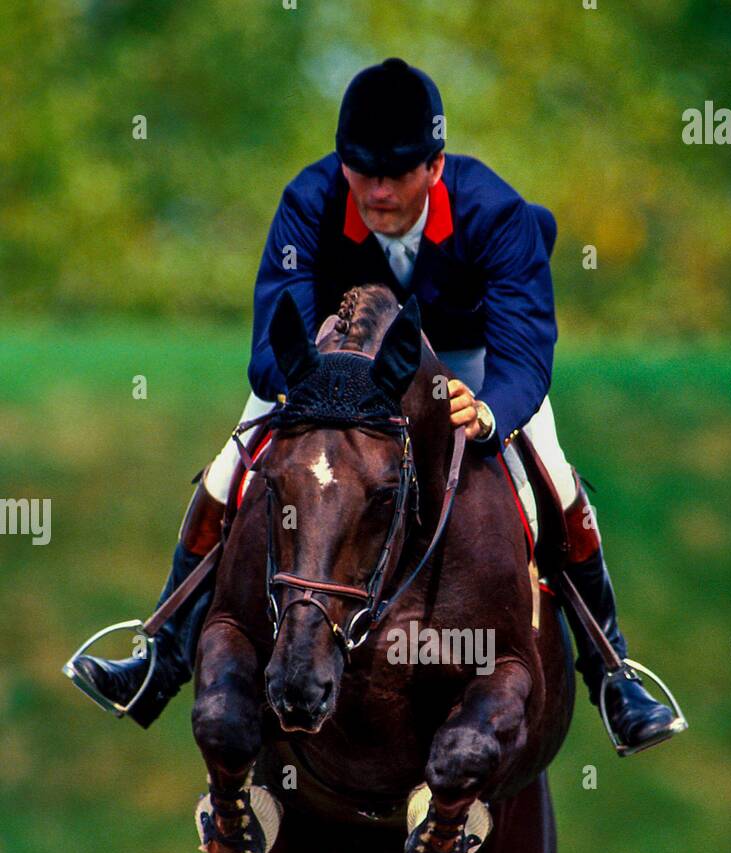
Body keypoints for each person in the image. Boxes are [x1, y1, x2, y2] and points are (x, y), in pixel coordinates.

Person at [69, 57, 682, 753]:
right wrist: (331, 382)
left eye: (398, 174)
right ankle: (160, 654)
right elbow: (275, 344)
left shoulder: (497, 214)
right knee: (227, 466)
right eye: (363, 172)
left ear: (436, 165)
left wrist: (488, 413)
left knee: (555, 477)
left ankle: (613, 674)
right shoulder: (310, 199)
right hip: (334, 371)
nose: (379, 191)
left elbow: (526, 354)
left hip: (469, 364)